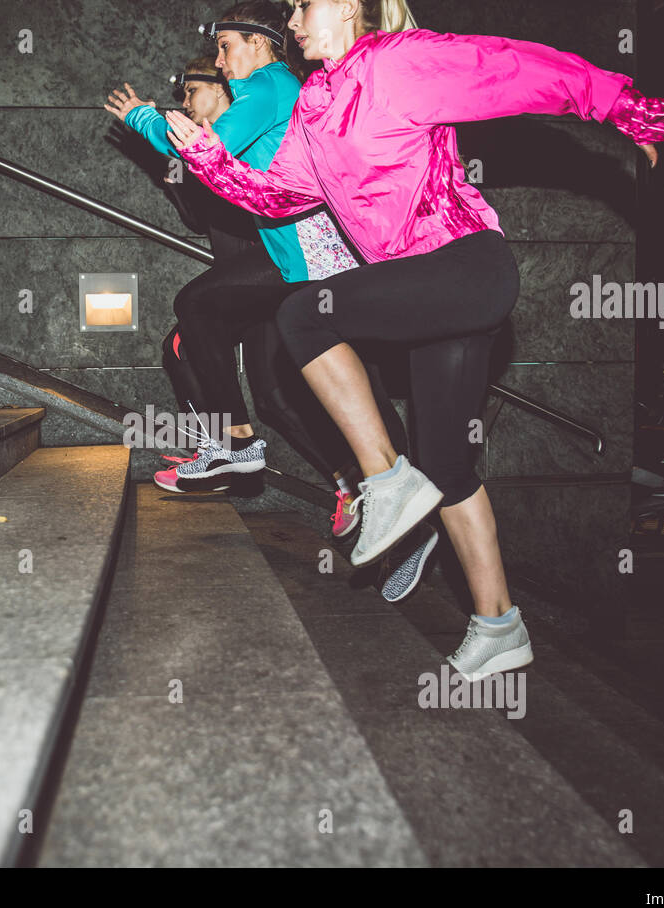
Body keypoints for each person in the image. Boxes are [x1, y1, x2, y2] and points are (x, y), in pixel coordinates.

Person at [165, 0, 664, 678]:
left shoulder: (400, 61)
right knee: (448, 465)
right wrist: (203, 152)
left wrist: (626, 108)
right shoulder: (314, 106)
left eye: (303, 5)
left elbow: (516, 68)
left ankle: (386, 480)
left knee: (306, 315)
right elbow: (277, 196)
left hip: (464, 265)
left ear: (346, 7)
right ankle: (498, 624)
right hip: (424, 296)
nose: (294, 19)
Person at [104, 3, 434, 576]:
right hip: (297, 264)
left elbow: (203, 148)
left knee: (195, 306)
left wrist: (140, 117)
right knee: (293, 388)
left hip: (312, 261)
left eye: (227, 47)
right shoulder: (273, 87)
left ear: (257, 44)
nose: (222, 62)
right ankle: (396, 517)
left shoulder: (269, 83)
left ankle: (238, 443)